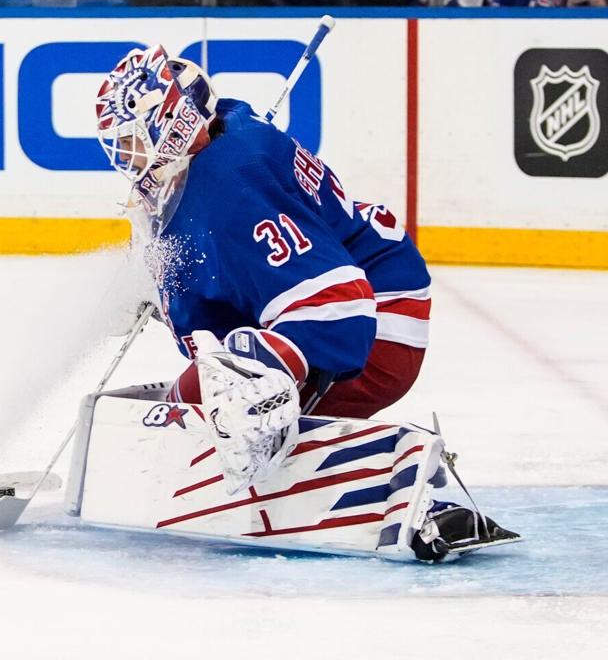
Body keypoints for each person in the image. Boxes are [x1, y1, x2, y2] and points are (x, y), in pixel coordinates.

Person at [94, 45, 431, 494]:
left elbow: (337, 306)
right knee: (199, 399)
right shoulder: (217, 151)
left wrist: (259, 387)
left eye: (133, 141)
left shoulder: (232, 183)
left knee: (214, 406)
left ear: (174, 122)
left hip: (377, 321)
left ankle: (359, 481)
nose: (126, 157)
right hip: (347, 294)